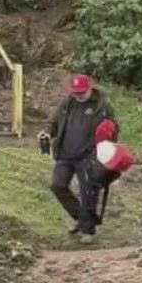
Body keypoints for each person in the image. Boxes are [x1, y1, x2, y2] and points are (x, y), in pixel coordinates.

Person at [39, 73, 117, 243]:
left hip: (88, 156)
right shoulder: (68, 103)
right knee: (57, 185)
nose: (79, 95)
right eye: (76, 92)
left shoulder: (102, 106)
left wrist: (106, 149)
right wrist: (46, 132)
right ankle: (81, 218)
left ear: (89, 88)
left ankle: (88, 230)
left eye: (82, 92)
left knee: (88, 192)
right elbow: (53, 121)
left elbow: (113, 129)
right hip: (65, 155)